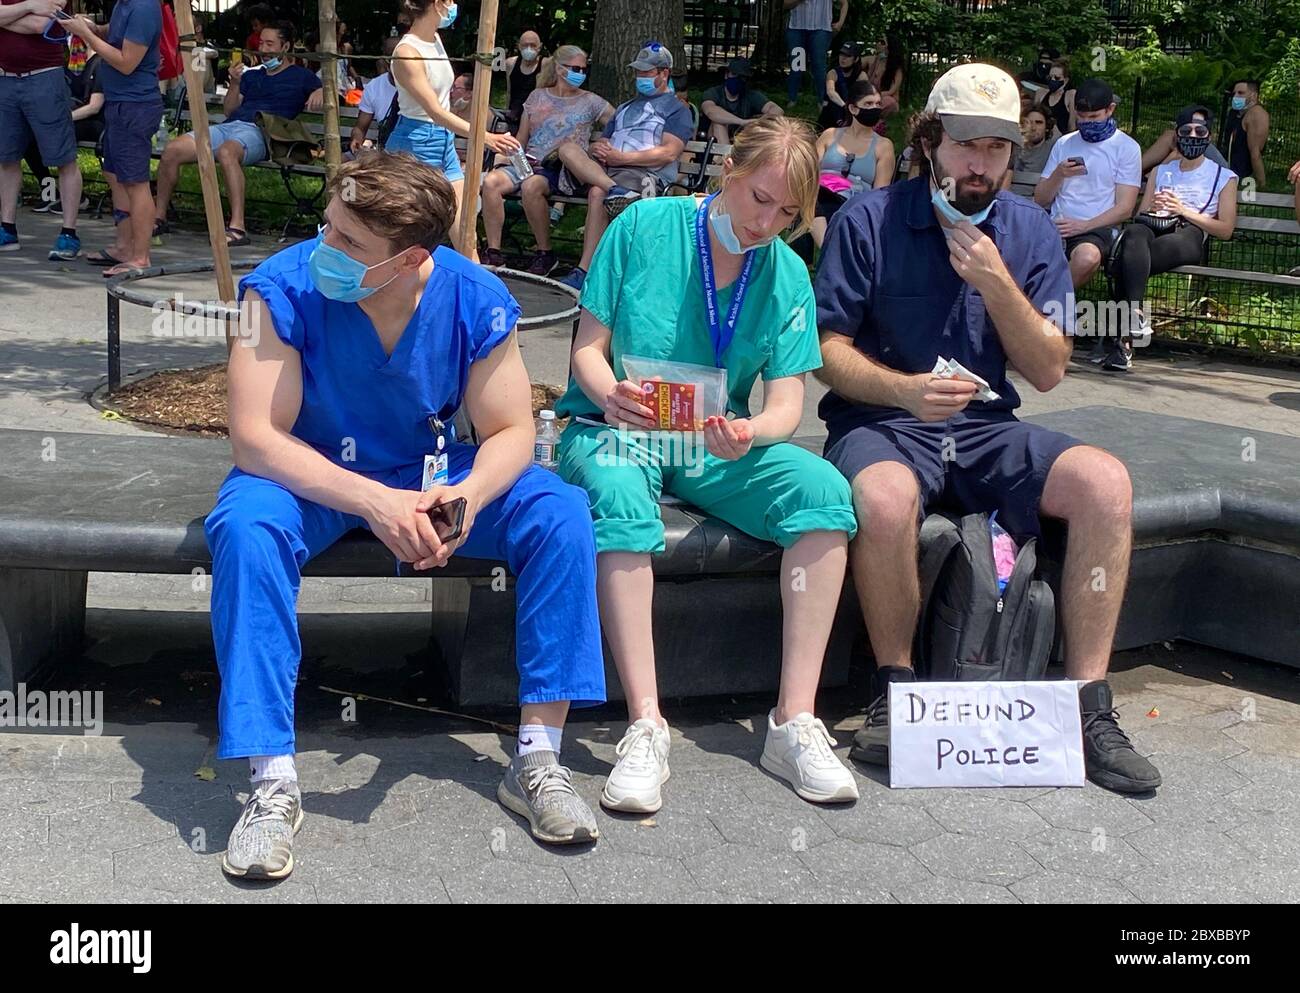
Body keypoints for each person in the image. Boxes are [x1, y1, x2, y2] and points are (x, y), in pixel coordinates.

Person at [208, 152, 608, 879]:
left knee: (561, 512)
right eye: (327, 226)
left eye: (349, 243)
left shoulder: (474, 296)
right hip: (308, 470)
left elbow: (512, 431)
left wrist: (467, 498)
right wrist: (370, 500)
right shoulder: (277, 287)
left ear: (412, 258)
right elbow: (256, 436)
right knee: (245, 527)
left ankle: (538, 757)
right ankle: (271, 778)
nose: (324, 248)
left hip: (431, 473)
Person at [814, 63, 1161, 796]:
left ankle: (1089, 707)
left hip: (985, 427)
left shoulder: (1031, 229)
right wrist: (904, 391)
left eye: (998, 149)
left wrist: (999, 283)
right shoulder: (868, 218)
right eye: (966, 145)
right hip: (884, 422)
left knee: (1106, 481)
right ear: (932, 140)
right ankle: (897, 690)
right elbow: (826, 353)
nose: (981, 164)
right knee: (881, 499)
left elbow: (1049, 370)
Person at [558, 116, 860, 812]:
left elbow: (789, 404)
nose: (767, 222)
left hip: (711, 440)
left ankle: (793, 719)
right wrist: (612, 394)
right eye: (760, 198)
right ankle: (645, 724)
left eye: (788, 213)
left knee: (823, 491)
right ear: (728, 170)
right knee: (618, 489)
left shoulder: (787, 273)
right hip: (617, 425)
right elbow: (584, 350)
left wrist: (752, 430)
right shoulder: (642, 228)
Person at [152, 21, 322, 249]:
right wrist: (234, 83)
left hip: (263, 132)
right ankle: (158, 217)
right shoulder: (252, 76)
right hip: (230, 126)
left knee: (227, 152)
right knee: (173, 149)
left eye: (270, 44)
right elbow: (230, 111)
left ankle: (237, 227)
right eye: (261, 42)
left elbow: (330, 93)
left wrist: (320, 91)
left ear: (286, 46)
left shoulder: (303, 77)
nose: (263, 48)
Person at [555, 42, 693, 292]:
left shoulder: (677, 110)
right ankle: (615, 189)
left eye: (647, 72)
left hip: (643, 174)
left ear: (664, 73)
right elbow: (606, 140)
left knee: (597, 193)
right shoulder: (625, 107)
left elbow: (668, 153)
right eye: (638, 72)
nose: (640, 77)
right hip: (609, 169)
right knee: (567, 149)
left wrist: (622, 158)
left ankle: (584, 271)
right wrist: (601, 149)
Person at [1108, 105, 1237, 371]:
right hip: (1155, 225)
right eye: (1186, 130)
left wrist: (1183, 210)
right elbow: (1142, 213)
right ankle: (1131, 322)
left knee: (1126, 264)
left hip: (1188, 232)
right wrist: (1154, 205)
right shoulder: (1161, 170)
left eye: (1200, 131)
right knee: (1133, 233)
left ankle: (1122, 342)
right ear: (1177, 135)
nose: (1193, 135)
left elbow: (1225, 230)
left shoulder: (1224, 177)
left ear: (1209, 136)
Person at [386, 0, 519, 257]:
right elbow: (434, 111)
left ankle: (480, 290)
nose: (455, 5)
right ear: (437, 4)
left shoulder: (435, 38)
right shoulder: (406, 52)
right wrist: (485, 137)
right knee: (409, 230)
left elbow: (442, 102)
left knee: (465, 226)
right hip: (416, 141)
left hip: (442, 140)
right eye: (450, 1)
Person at [480, 44, 611, 275]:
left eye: (583, 69)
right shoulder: (537, 96)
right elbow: (522, 137)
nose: (581, 74)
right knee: (491, 182)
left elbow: (619, 122)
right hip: (527, 161)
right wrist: (510, 154)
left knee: (532, 186)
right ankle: (494, 251)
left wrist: (599, 144)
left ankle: (545, 253)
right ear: (560, 70)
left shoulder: (591, 101)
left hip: (560, 168)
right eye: (576, 68)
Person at [65, 0, 161, 276]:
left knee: (135, 181)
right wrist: (94, 27)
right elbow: (117, 32)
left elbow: (126, 62)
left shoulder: (143, 7)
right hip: (119, 102)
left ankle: (141, 256)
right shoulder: (124, 3)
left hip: (136, 105)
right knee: (114, 173)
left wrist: (86, 35)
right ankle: (123, 245)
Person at [1034, 78, 1140, 290]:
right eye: (1082, 117)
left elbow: (1125, 208)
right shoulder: (1064, 143)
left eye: (1094, 117)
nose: (1087, 122)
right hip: (1056, 224)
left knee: (1087, 258)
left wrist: (1083, 226)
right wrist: (1059, 174)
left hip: (1096, 228)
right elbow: (1040, 198)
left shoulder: (1126, 148)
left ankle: (1047, 303)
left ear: (1110, 110)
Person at [0, 0, 85, 258]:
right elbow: (34, 16)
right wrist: (29, 4)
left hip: (45, 75)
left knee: (63, 157)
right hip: (5, 77)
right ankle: (7, 228)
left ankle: (68, 233)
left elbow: (41, 25)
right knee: (6, 157)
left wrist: (7, 17)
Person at [811, 80, 894, 248]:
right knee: (810, 195)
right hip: (820, 194)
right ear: (853, 108)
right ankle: (828, 249)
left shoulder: (883, 146)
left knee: (815, 203)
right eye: (868, 103)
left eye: (878, 103)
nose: (874, 108)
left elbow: (879, 194)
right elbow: (808, 172)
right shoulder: (830, 135)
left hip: (853, 203)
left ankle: (827, 249)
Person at [700, 57, 782, 146]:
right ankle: (723, 158)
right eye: (734, 74)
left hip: (743, 140)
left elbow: (777, 110)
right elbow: (711, 111)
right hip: (714, 141)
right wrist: (742, 122)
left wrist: (760, 121)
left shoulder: (751, 95)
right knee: (718, 123)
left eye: (742, 77)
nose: (737, 79)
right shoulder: (714, 93)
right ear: (726, 74)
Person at [784, 0, 845, 109]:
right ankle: (792, 98)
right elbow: (786, 4)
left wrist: (840, 23)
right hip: (797, 27)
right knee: (797, 64)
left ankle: (822, 101)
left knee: (818, 65)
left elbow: (844, 3)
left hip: (821, 28)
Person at [348, 35, 399, 156]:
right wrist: (356, 139)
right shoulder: (374, 87)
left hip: (410, 156)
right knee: (342, 164)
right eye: (389, 57)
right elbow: (360, 127)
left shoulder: (418, 86)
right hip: (382, 153)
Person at [1221, 79, 1268, 187]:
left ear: (1254, 96)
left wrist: (1262, 183)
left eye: (1241, 93)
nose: (1235, 97)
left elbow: (1255, 154)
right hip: (1229, 168)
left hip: (1240, 173)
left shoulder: (1257, 114)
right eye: (1234, 93)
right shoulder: (1237, 113)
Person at [502, 29, 546, 132]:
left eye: (533, 45)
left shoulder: (545, 64)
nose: (529, 49)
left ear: (539, 47)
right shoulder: (510, 63)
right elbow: (509, 90)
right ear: (519, 46)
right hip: (514, 116)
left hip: (535, 119)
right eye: (525, 45)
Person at [817, 41, 868, 130]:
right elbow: (831, 92)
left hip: (853, 111)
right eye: (841, 54)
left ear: (855, 59)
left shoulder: (861, 75)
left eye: (848, 56)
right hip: (832, 112)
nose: (843, 58)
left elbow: (865, 96)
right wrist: (845, 106)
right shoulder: (833, 73)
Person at [864, 34, 903, 131]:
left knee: (887, 101)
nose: (878, 44)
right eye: (878, 41)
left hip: (886, 99)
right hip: (872, 95)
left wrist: (874, 95)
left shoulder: (896, 68)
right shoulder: (877, 61)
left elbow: (891, 91)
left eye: (882, 42)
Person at [1034, 58, 1074, 136]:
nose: (1052, 80)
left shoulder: (1070, 95)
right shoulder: (1041, 93)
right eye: (1050, 77)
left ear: (1065, 80)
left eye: (1057, 78)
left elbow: (1072, 127)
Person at [1014, 105, 1058, 175]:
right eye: (1029, 122)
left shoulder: (1054, 149)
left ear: (1047, 127)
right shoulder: (1013, 149)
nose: (1033, 128)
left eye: (1038, 123)